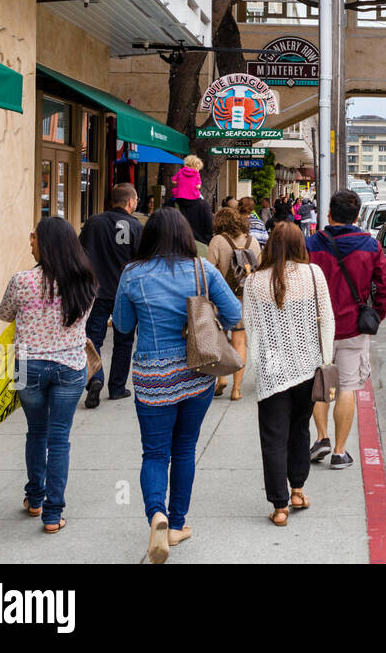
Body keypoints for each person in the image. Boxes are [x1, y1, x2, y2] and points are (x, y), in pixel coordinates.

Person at [111, 208, 241, 564]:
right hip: (195, 373)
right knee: (184, 450)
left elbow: (122, 326)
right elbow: (234, 315)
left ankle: (156, 514)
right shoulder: (203, 270)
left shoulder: (132, 274)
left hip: (152, 376)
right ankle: (177, 524)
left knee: (154, 453)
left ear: (148, 236)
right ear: (186, 236)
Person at [0, 216, 98, 534]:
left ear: (46, 243)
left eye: (34, 237)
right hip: (70, 366)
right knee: (59, 440)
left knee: (36, 432)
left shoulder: (22, 280)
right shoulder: (86, 280)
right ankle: (53, 514)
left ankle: (35, 498)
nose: (31, 242)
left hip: (29, 367)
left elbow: (4, 314)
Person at [242, 223, 335, 527]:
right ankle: (297, 490)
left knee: (272, 436)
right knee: (299, 429)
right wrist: (326, 361)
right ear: (300, 244)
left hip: (271, 369)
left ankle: (279, 506)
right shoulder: (313, 275)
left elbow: (250, 328)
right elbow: (327, 322)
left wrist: (258, 365)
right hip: (308, 366)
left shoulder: (253, 282)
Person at [306, 190, 386, 470]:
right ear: (357, 216)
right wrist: (374, 316)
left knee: (320, 383)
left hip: (318, 328)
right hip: (353, 328)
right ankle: (340, 452)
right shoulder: (369, 246)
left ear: (328, 213)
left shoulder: (310, 245)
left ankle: (322, 438)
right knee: (347, 387)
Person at [78, 183, 143, 408]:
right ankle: (117, 387)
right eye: (135, 200)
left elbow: (80, 253)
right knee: (123, 341)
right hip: (125, 293)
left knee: (93, 339)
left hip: (96, 291)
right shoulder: (136, 227)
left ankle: (95, 378)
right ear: (130, 202)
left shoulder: (93, 223)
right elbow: (142, 261)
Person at [208, 207, 262, 401]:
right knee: (240, 341)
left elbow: (209, 270)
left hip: (221, 299)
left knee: (220, 339)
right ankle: (236, 389)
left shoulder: (217, 241)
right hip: (244, 300)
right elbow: (259, 271)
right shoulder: (253, 241)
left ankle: (221, 377)